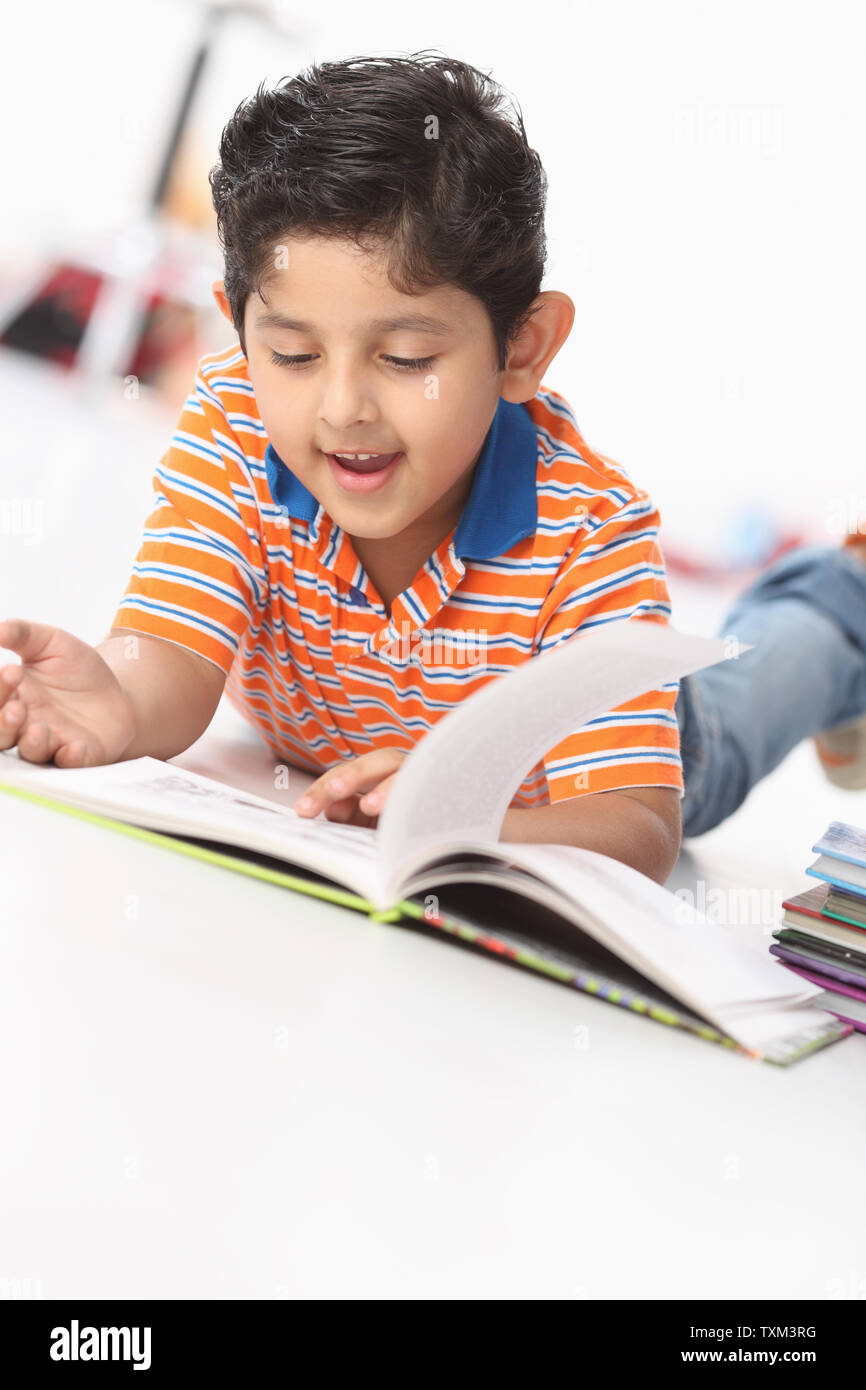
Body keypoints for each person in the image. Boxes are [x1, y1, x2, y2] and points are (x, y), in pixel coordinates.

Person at [1, 54, 864, 887]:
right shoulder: (235, 418)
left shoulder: (588, 526)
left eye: (408, 357)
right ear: (240, 330)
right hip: (350, 743)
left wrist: (460, 810)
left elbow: (637, 825)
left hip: (599, 766)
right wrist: (112, 697)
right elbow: (171, 654)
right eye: (295, 353)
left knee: (770, 668)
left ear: (521, 348)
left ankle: (842, 595)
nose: (343, 408)